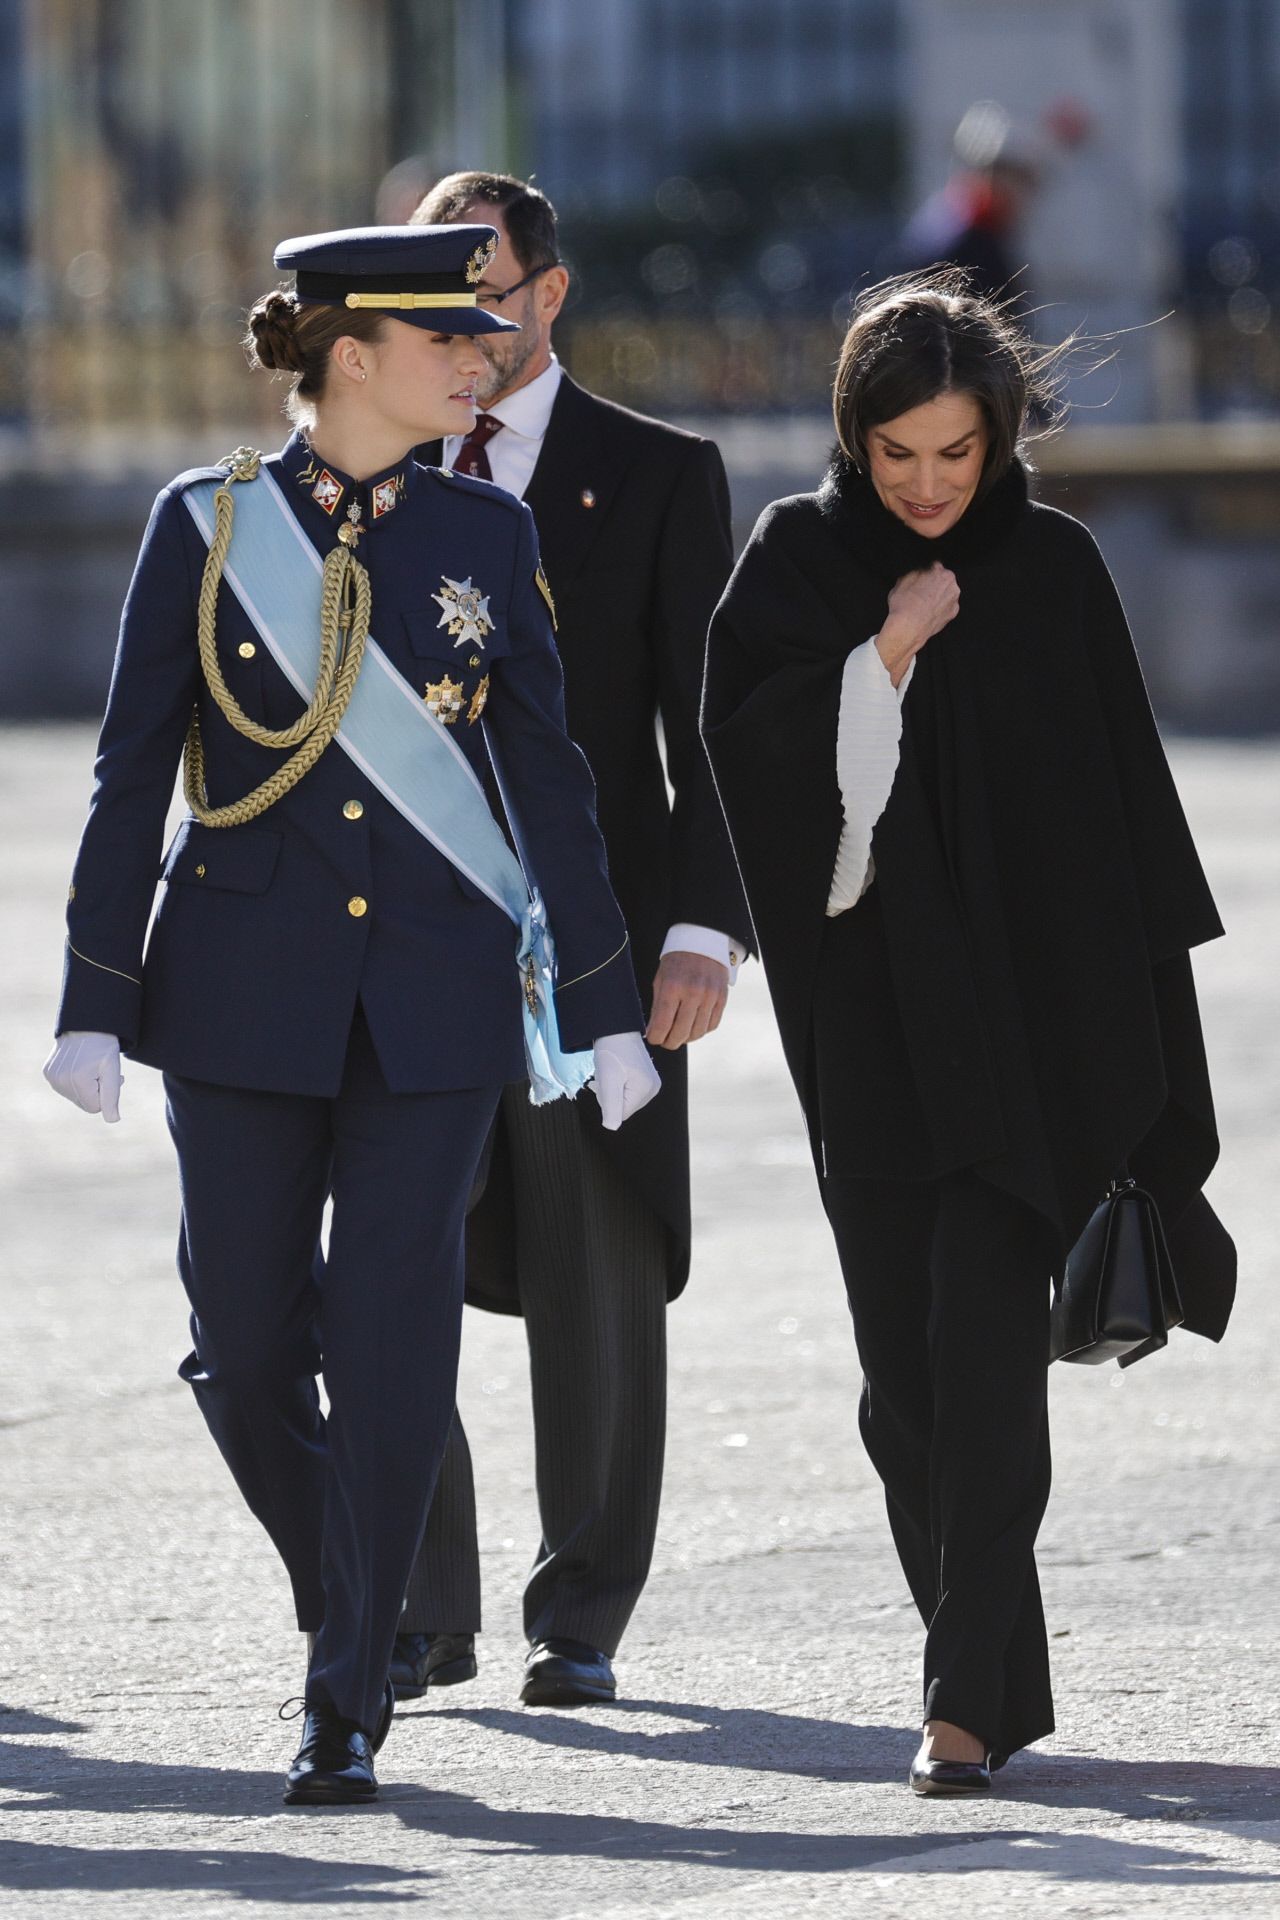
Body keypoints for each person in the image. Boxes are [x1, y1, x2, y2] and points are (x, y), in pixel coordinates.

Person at [42, 223, 660, 1805]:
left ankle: (345, 1694)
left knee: (393, 1351)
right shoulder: (207, 524)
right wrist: (94, 994)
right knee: (245, 1358)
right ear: (348, 353)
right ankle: (355, 1597)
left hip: (435, 1008)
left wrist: (602, 1006)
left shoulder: (483, 533)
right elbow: (131, 769)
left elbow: (550, 777)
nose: (482, 351)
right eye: (445, 332)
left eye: (488, 327)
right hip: (241, 996)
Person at [702, 272, 1235, 1795]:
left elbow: (1134, 832)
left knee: (988, 1361)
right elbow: (752, 769)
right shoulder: (799, 563)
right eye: (899, 457)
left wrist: (1157, 1093)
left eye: (958, 454)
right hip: (871, 1042)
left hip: (1036, 1045)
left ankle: (956, 1711)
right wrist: (883, 655)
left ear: (1003, 438)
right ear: (851, 442)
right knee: (904, 1390)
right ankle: (1000, 1678)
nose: (930, 487)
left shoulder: (1056, 569)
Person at [389, 172, 751, 1709]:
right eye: (433, 296)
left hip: (595, 951)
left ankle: (581, 1612)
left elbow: (714, 728)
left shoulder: (659, 473)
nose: (464, 324)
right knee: (388, 1268)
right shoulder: (367, 472)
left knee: (598, 1279)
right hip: (400, 937)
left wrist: (703, 933)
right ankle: (421, 1606)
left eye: (485, 287)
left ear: (551, 291)